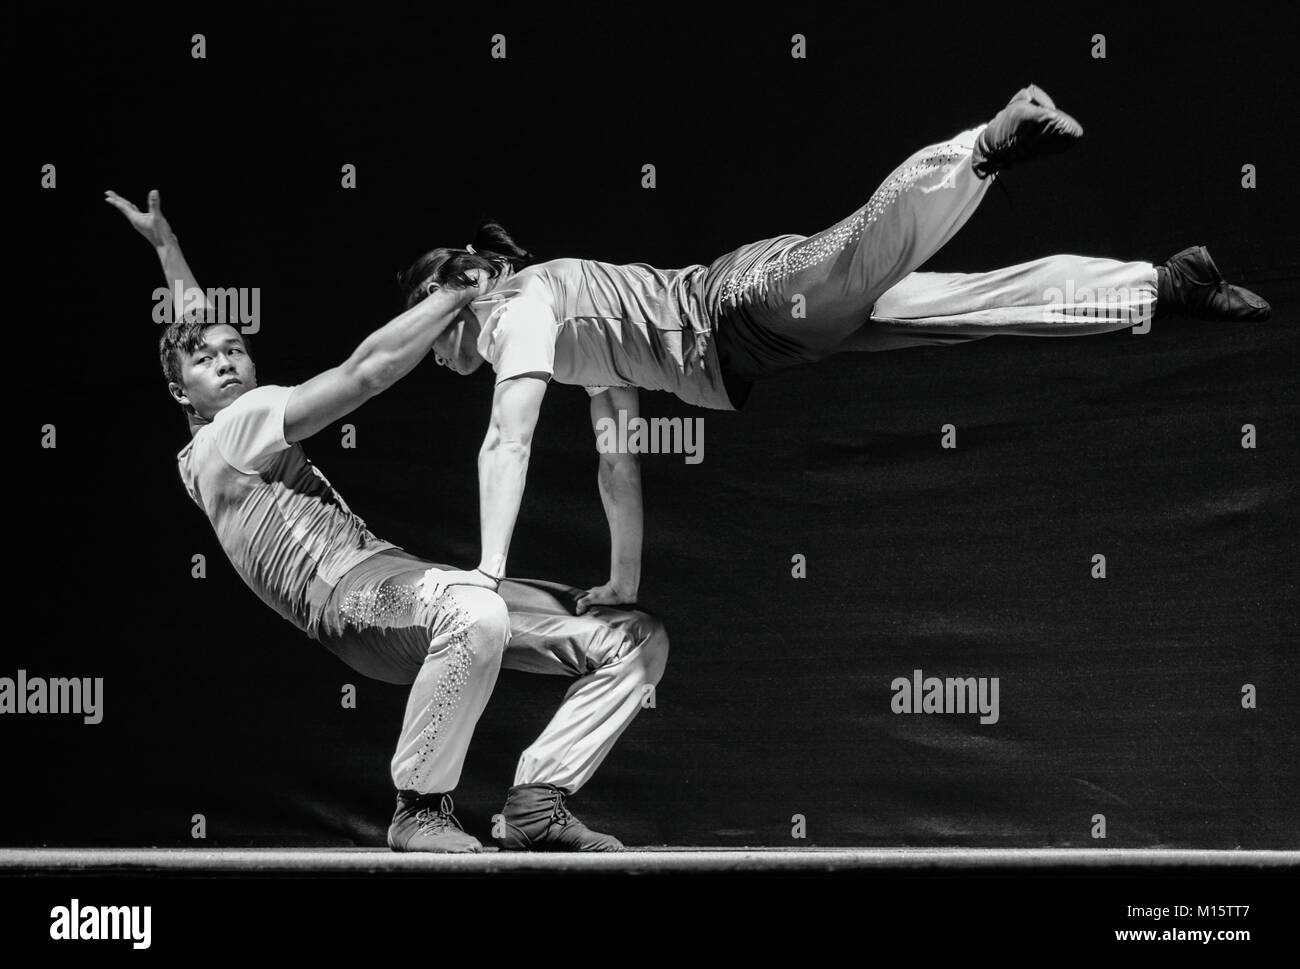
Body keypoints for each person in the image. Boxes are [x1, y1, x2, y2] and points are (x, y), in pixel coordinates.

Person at [396, 85, 1271, 614]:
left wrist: (486, 572)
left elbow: (507, 439)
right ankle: (1163, 284)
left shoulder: (518, 308)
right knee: (967, 304)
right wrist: (622, 582)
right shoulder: (582, 333)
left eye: (421, 323)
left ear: (456, 296)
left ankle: (989, 141)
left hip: (742, 304)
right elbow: (616, 466)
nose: (423, 350)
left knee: (862, 245)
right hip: (764, 340)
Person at [107, 188, 668, 853]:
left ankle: (538, 802)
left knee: (634, 638)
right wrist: (457, 291)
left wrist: (166, 247)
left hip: (405, 587)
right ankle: (419, 807)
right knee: (475, 608)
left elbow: (194, 335)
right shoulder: (235, 427)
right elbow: (366, 372)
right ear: (181, 392)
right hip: (349, 602)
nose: (226, 360)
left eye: (236, 350)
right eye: (208, 361)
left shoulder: (207, 437)